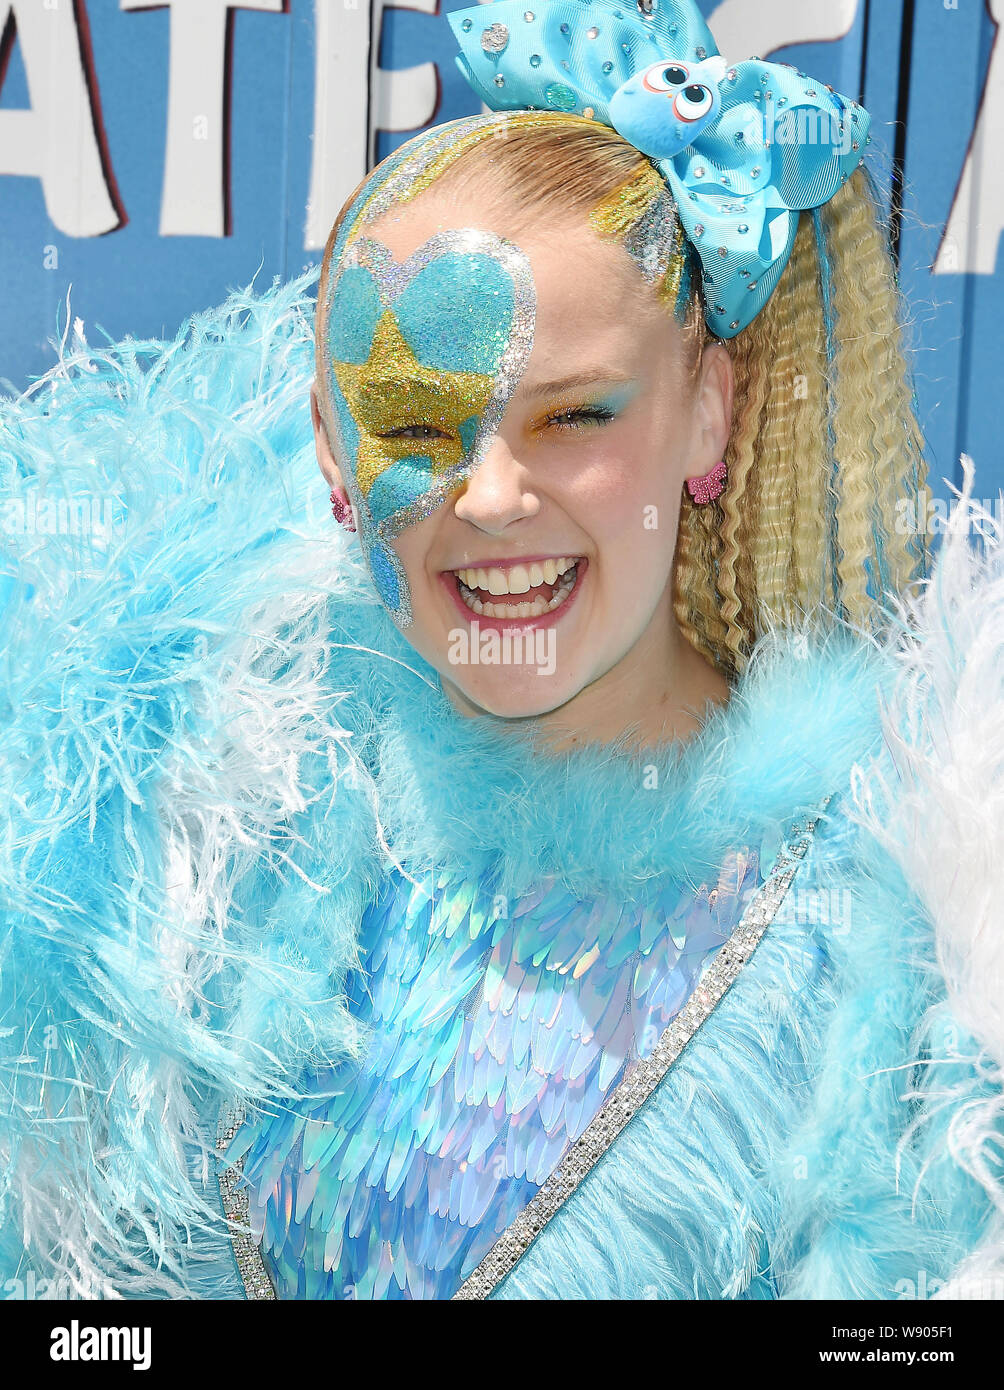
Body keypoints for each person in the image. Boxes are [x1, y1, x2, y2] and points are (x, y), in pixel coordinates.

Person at [1, 0, 1002, 1302]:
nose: (489, 499)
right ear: (329, 448)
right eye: (416, 421)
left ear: (709, 413)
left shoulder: (855, 951)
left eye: (574, 414)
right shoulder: (217, 840)